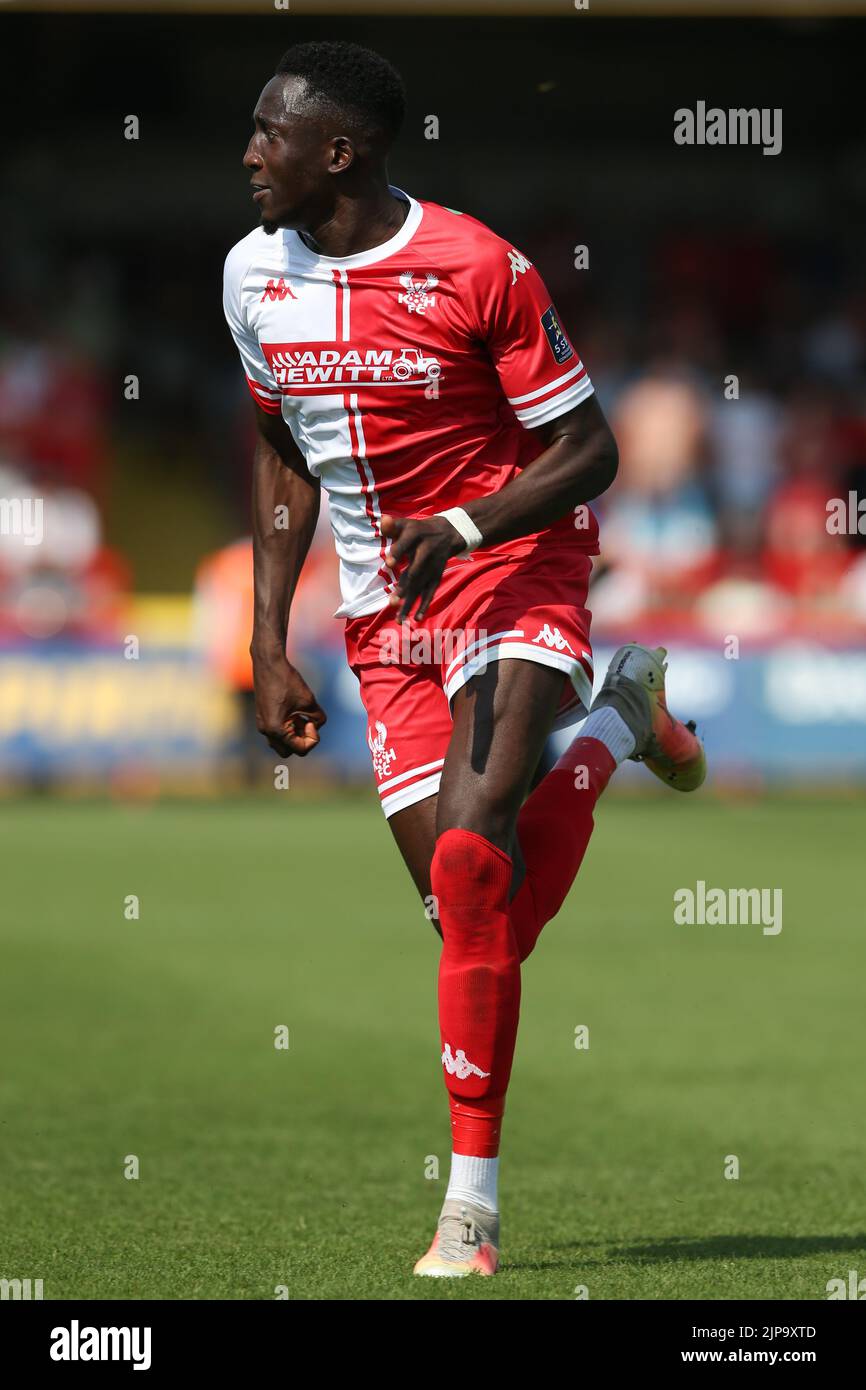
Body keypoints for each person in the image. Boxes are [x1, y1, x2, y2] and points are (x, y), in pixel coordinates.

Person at [223, 40, 706, 1278]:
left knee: (469, 840)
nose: (247, 156)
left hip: (509, 560)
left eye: (267, 136)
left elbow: (588, 451)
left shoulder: (478, 265)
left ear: (340, 151)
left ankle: (470, 1211)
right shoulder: (249, 276)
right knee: (467, 910)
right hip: (384, 611)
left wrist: (466, 523)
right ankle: (616, 726)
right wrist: (270, 638)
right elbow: (281, 449)